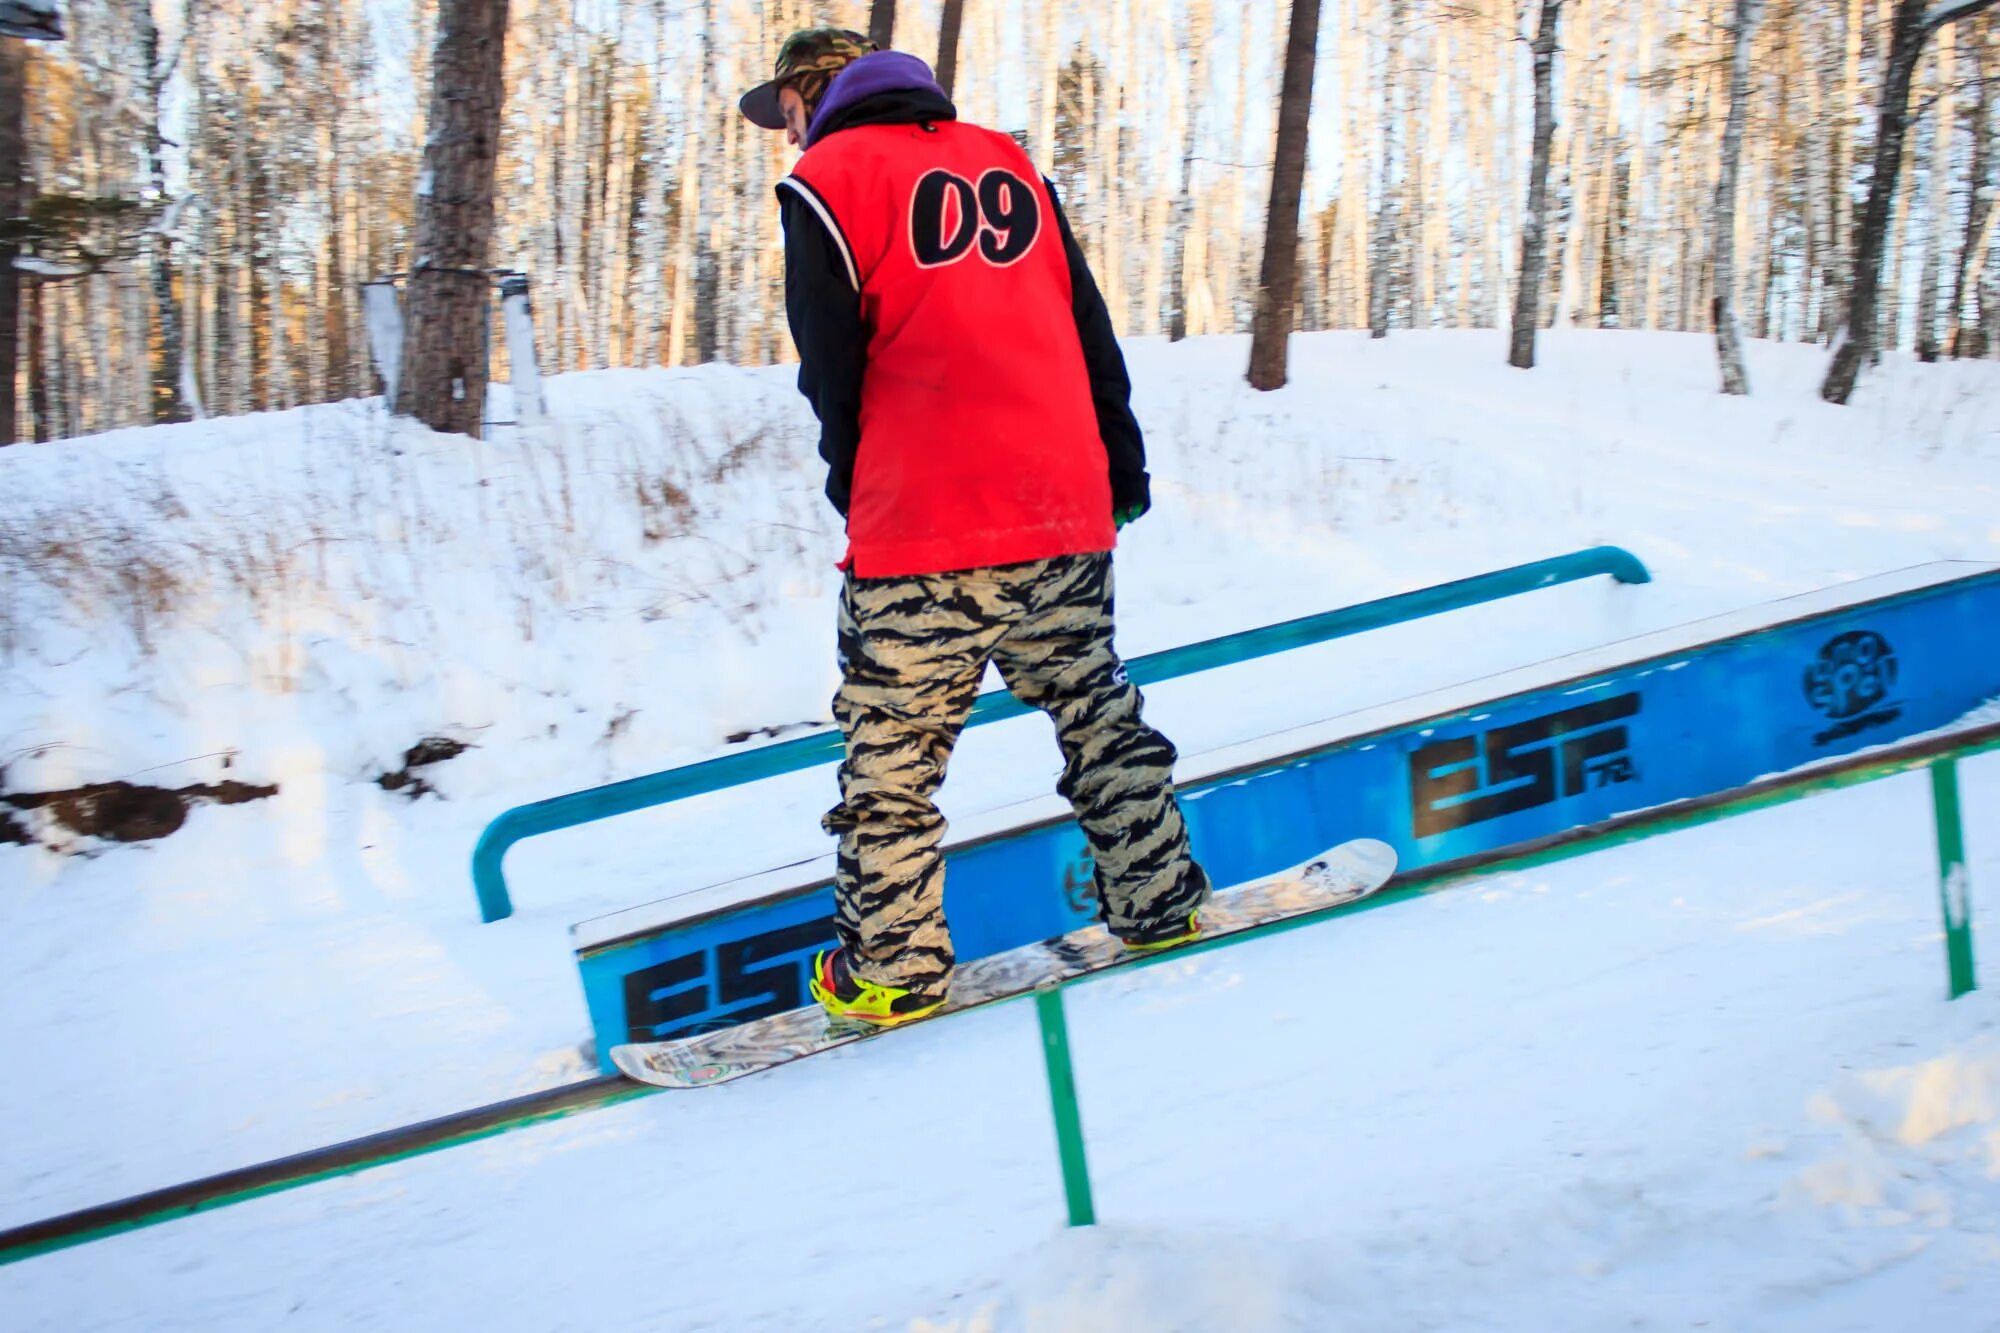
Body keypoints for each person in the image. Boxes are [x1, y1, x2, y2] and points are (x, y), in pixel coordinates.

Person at [739, 28, 1211, 1027]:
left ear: (805, 97)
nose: (781, 133)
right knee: (1096, 713)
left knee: (891, 767)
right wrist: (1119, 468)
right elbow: (1086, 325)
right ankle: (1160, 903)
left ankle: (893, 975)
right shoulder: (1007, 161)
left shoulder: (823, 179)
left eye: (780, 111)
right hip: (1062, 508)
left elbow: (831, 367)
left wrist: (853, 489)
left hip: (925, 525)